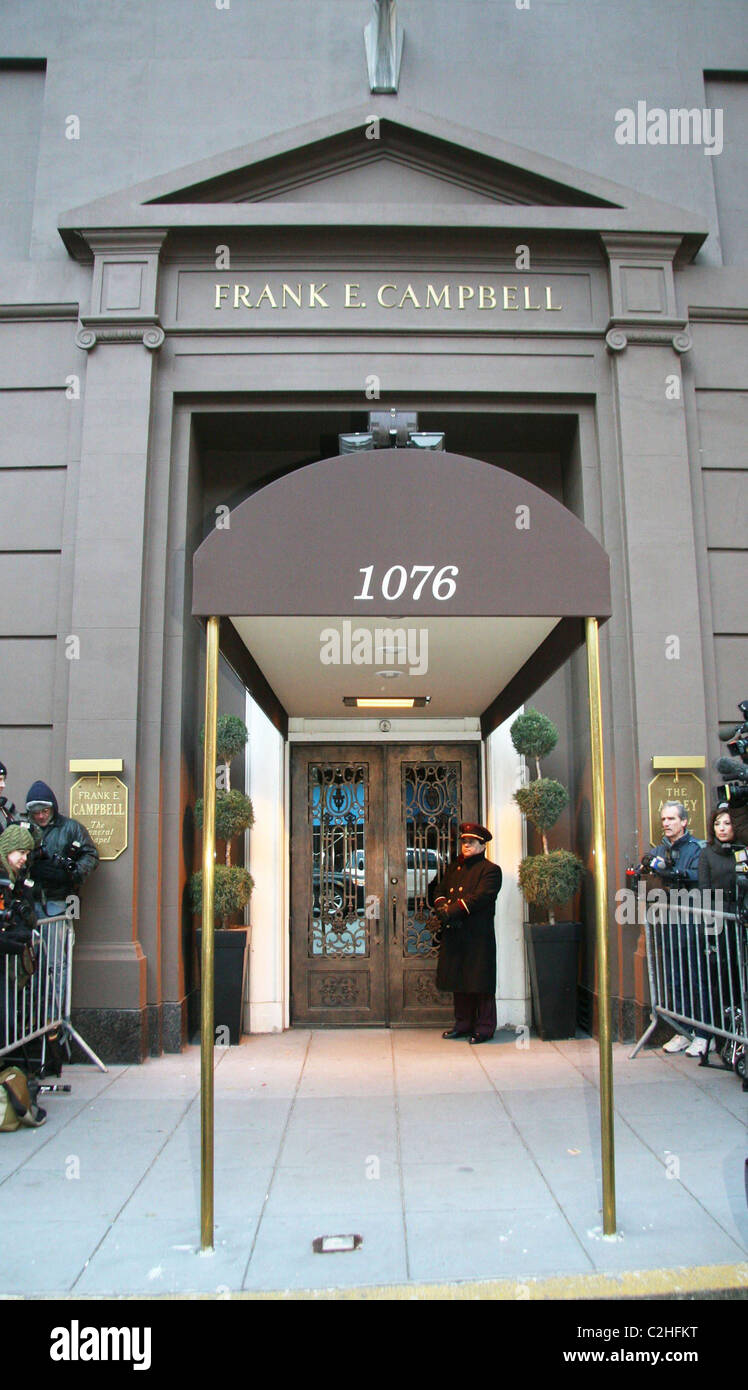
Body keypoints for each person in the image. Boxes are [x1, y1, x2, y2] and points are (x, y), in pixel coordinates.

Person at [431, 822, 502, 1044]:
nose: (466, 845)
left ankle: (484, 1028)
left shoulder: (491, 870)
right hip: (455, 934)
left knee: (480, 983)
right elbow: (438, 889)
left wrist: (451, 911)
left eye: (471, 842)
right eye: (464, 841)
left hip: (477, 936)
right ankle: (463, 1024)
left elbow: (480, 897)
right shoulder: (455, 868)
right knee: (458, 982)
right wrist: (442, 906)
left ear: (483, 845)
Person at [647, 801, 704, 1055]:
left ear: (684, 822)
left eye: (671, 819)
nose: (667, 823)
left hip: (691, 921)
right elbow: (649, 864)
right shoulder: (660, 848)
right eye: (663, 819)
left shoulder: (695, 848)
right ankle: (683, 1031)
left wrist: (669, 870)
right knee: (674, 978)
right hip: (669, 920)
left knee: (694, 978)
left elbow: (694, 875)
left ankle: (702, 1034)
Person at [25, 780, 99, 917]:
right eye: (36, 812)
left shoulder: (71, 828)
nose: (41, 816)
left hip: (60, 899)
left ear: (53, 809)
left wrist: (70, 874)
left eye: (45, 811)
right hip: (28, 899)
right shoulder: (22, 828)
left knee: (57, 937)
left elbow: (91, 855)